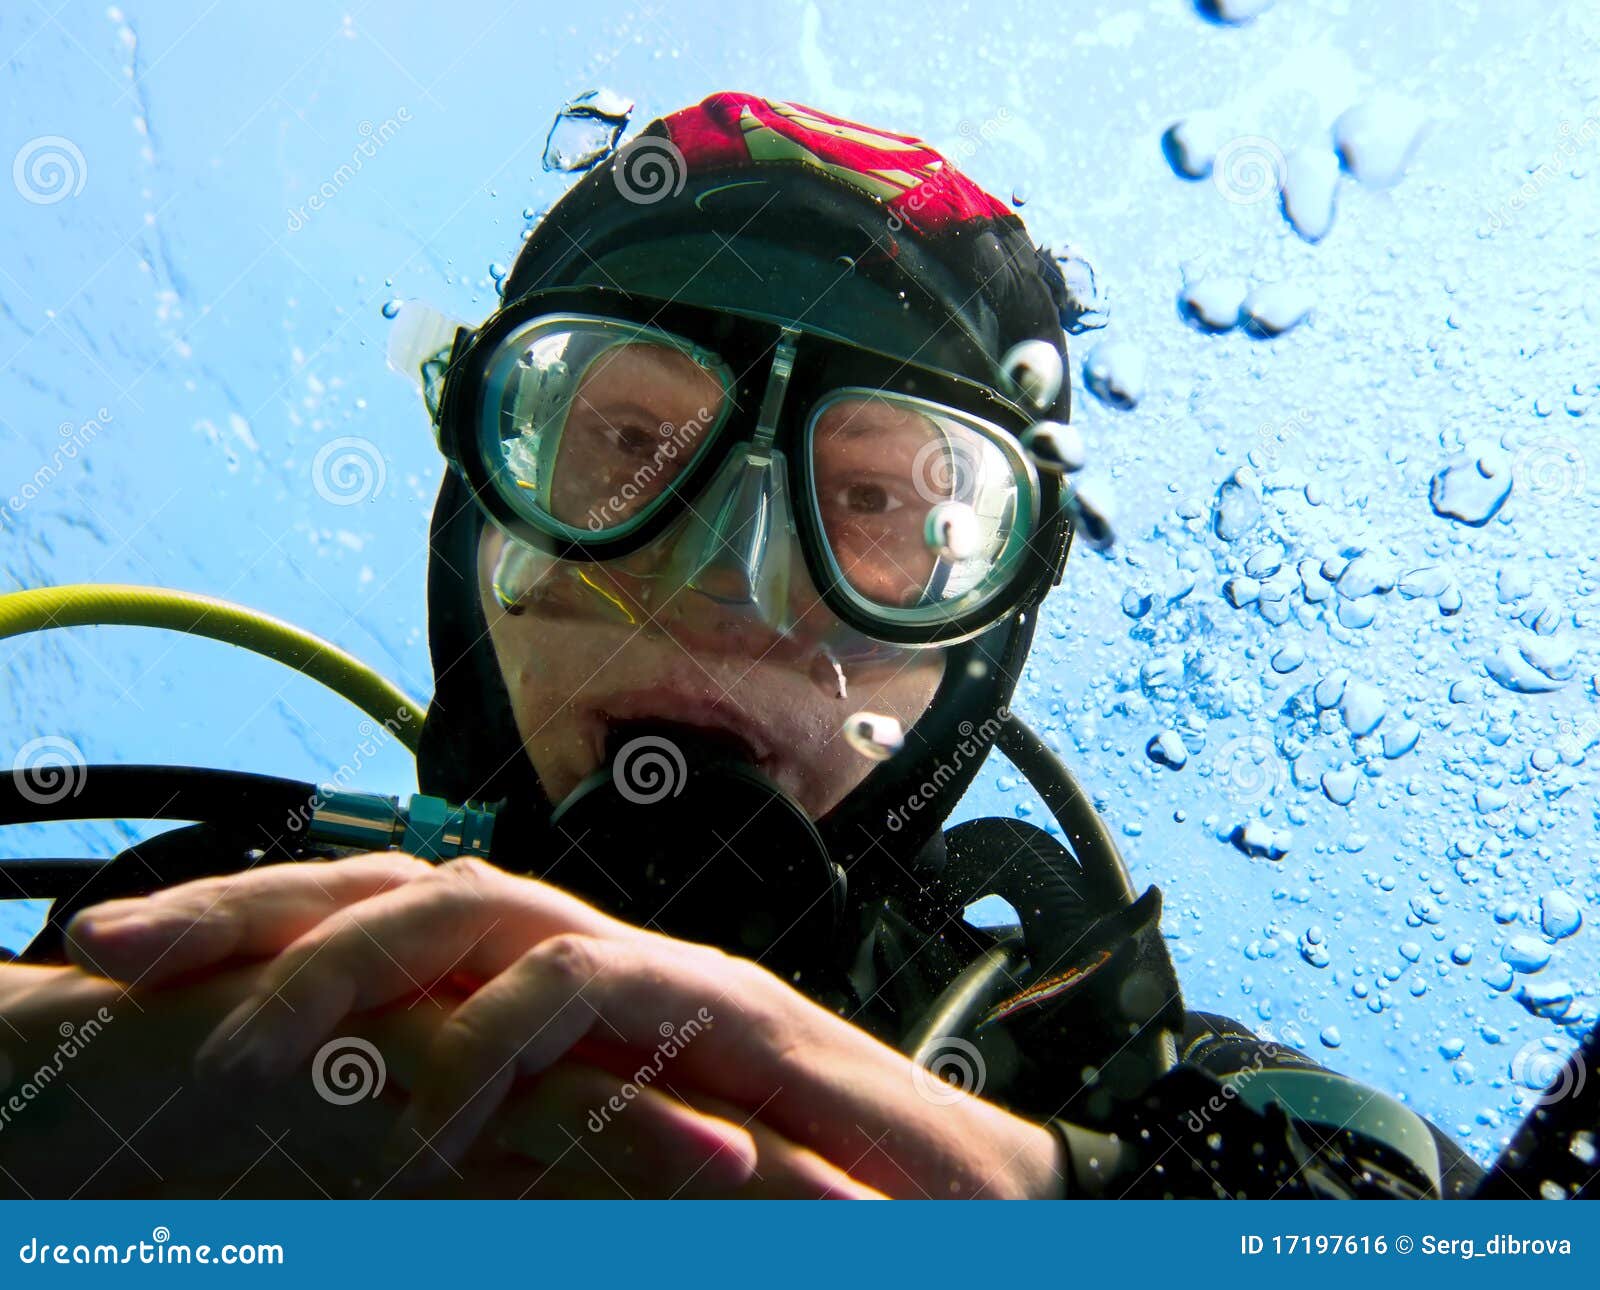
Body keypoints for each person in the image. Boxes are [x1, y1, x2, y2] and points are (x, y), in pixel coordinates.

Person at [0, 91, 1483, 1199]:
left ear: (972, 643)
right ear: (485, 519)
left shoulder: (1117, 1076)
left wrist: (1062, 1201)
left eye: (880, 507)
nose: (730, 584)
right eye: (630, 442)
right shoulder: (176, 946)